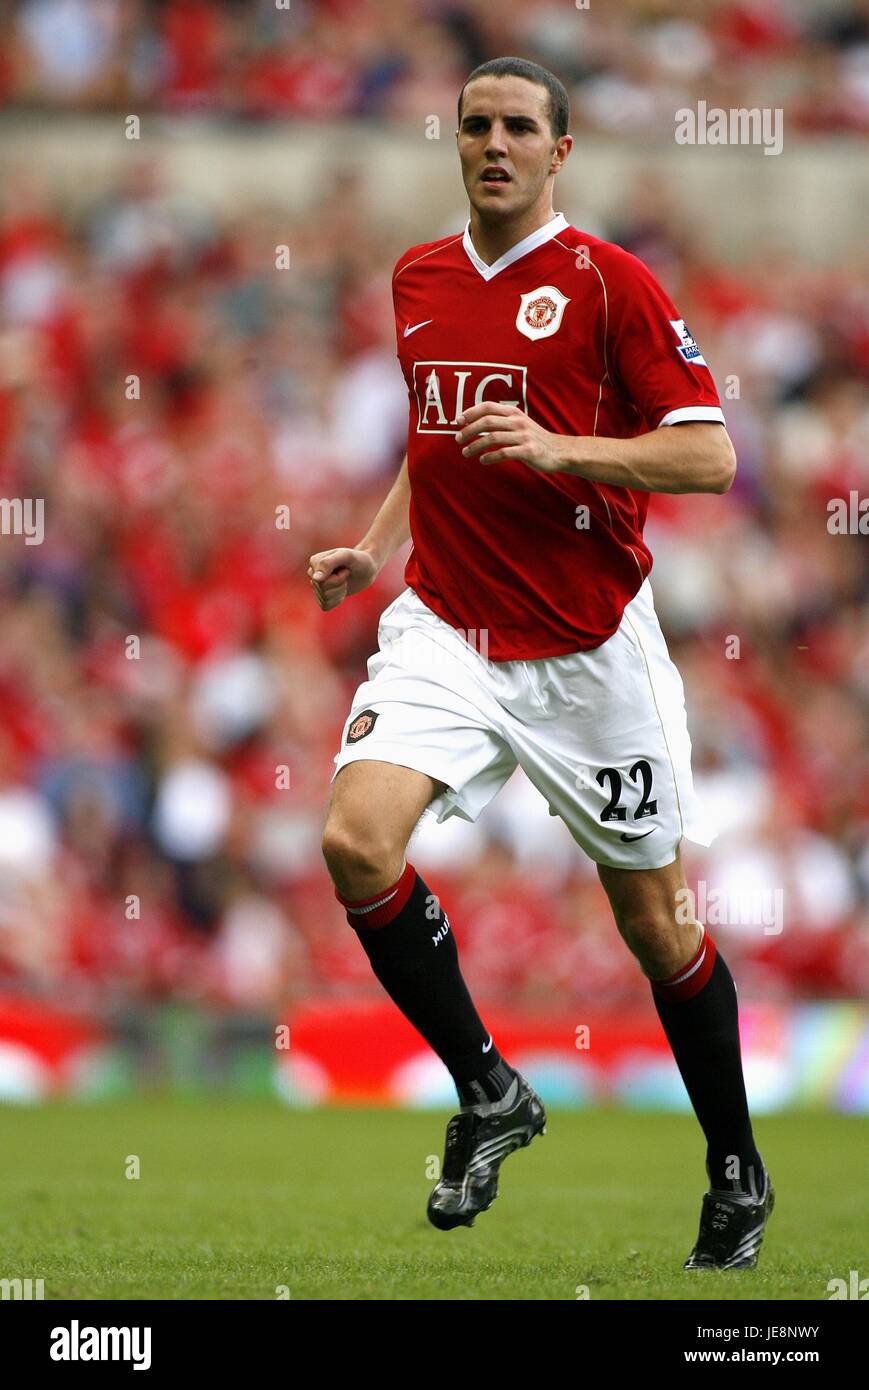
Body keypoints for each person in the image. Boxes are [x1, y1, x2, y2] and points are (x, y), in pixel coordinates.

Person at [309, 56, 773, 1269]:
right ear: (453, 143)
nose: (495, 143)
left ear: (559, 151)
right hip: (447, 628)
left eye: (519, 126)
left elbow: (711, 460)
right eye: (475, 125)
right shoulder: (415, 277)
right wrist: (372, 549)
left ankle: (733, 1165)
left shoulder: (609, 285)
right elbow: (438, 437)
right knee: (355, 840)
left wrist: (560, 451)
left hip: (585, 651)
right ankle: (488, 1090)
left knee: (655, 919)